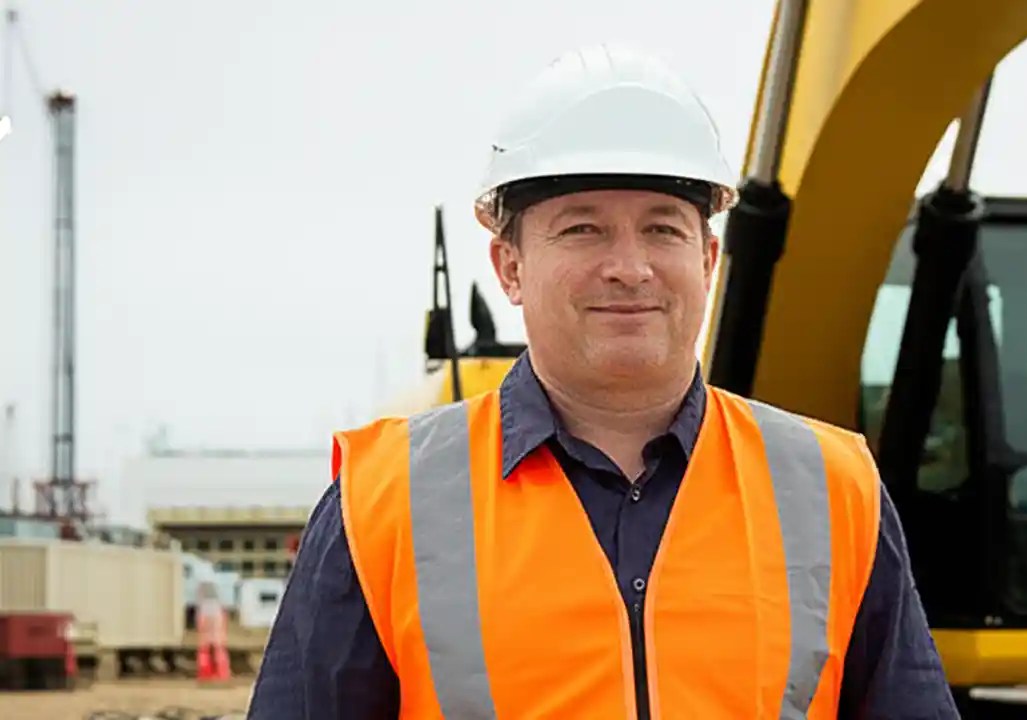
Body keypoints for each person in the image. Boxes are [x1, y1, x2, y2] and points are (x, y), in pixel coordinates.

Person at [247, 44, 959, 719]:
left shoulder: (833, 490)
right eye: (582, 229)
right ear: (509, 267)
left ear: (708, 260)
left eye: (662, 229)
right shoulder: (386, 501)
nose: (630, 268)